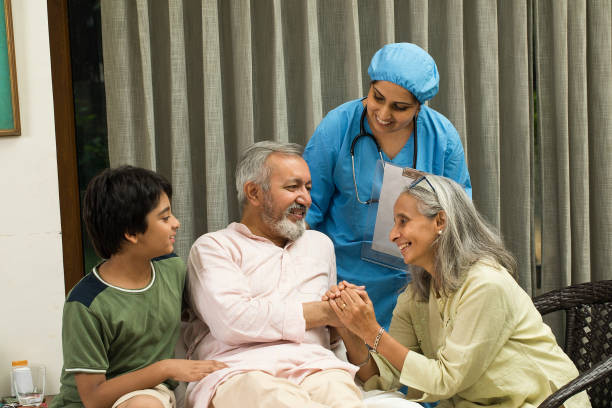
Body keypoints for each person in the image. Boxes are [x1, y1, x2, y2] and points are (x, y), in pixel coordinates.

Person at [323, 174, 591, 407]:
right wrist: (349, 328)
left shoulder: (486, 284)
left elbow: (444, 380)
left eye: (403, 221)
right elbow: (382, 377)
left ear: (440, 221)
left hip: (539, 402)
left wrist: (372, 331)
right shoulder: (416, 294)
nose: (392, 234)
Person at [182, 141, 365, 408]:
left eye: (308, 188)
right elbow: (232, 322)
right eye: (293, 187)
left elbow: (331, 329)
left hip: (317, 368)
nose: (306, 199)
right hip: (241, 371)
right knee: (280, 400)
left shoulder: (319, 245)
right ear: (254, 193)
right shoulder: (215, 247)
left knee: (342, 396)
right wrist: (324, 312)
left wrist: (343, 314)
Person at [304, 42, 472, 329]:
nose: (382, 114)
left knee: (403, 367)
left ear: (420, 105)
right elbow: (308, 204)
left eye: (400, 107)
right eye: (377, 98)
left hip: (417, 282)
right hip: (343, 281)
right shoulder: (339, 126)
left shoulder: (442, 137)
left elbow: (457, 215)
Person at [51, 166, 227, 408]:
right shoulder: (85, 304)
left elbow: (200, 316)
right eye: (165, 218)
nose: (176, 223)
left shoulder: (171, 268)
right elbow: (93, 398)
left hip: (150, 393)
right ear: (131, 233)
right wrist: (166, 368)